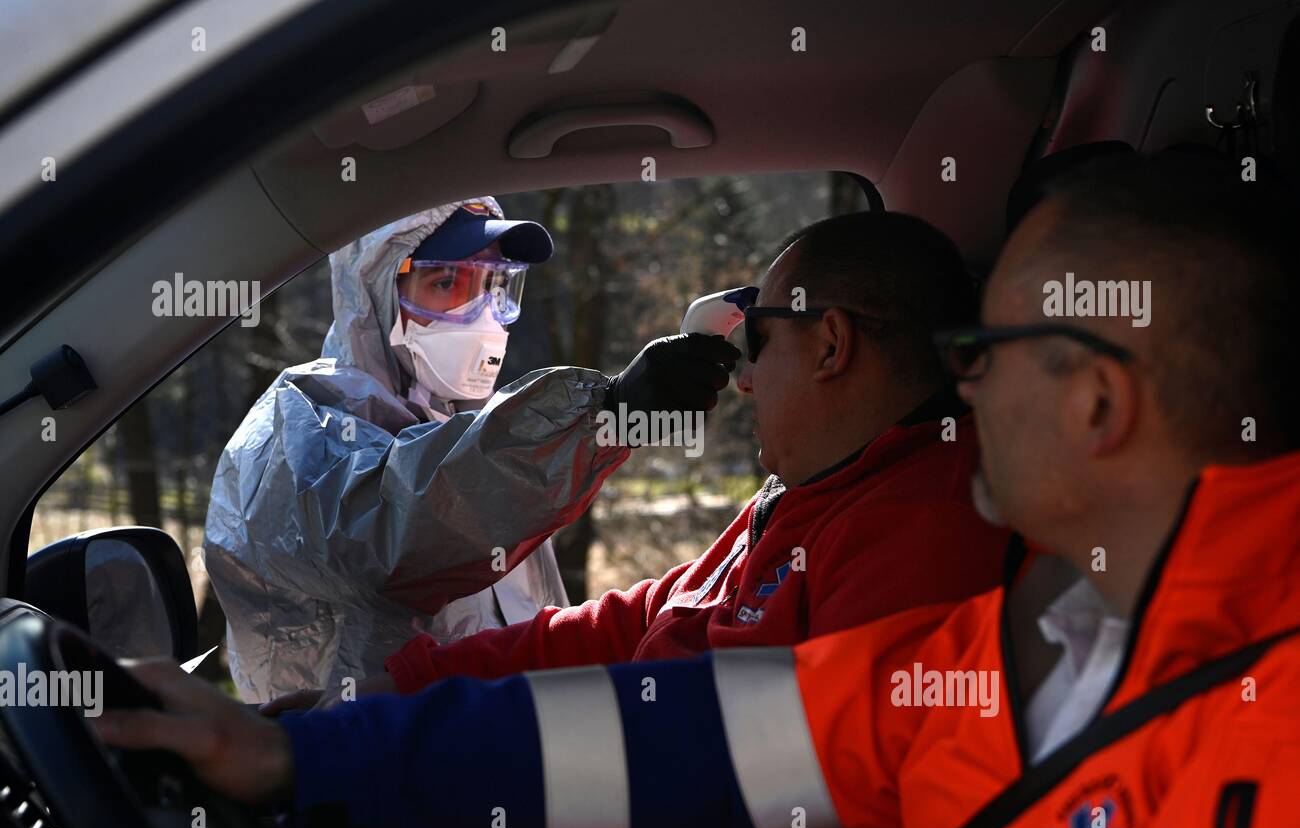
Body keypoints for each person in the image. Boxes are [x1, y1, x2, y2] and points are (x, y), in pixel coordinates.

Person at [265, 210, 1010, 746]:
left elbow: (729, 763)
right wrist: (412, 687)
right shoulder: (806, 498)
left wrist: (402, 746)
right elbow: (639, 619)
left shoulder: (923, 533)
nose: (744, 383)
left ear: (832, 345)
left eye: (755, 343)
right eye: (446, 283)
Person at [204, 197, 738, 702]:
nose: (484, 312)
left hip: (472, 759)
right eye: (447, 283)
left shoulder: (466, 429)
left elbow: (529, 627)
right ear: (380, 290)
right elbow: (398, 534)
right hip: (353, 772)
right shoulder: (300, 423)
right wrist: (603, 414)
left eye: (498, 286)